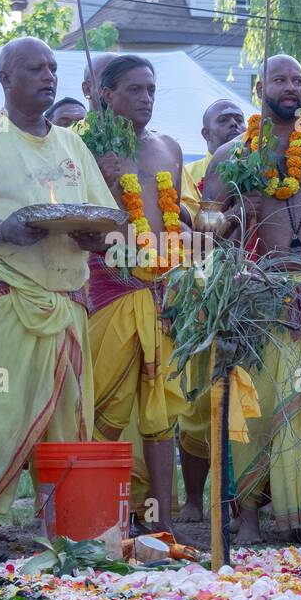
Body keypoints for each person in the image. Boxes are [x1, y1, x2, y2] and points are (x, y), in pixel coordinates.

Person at [0, 38, 115, 557]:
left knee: (69, 415)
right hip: (7, 292)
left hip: (67, 297)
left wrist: (97, 235)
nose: (48, 76)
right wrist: (2, 226)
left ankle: (70, 528)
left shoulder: (73, 145)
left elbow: (105, 216)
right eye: (34, 68)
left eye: (52, 68)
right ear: (5, 77)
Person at [202, 54, 301, 544]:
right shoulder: (230, 156)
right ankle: (248, 516)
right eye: (280, 78)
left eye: (298, 78)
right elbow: (202, 234)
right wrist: (234, 214)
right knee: (252, 406)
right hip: (250, 294)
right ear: (260, 87)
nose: (291, 86)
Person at [85, 55, 189, 535]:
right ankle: (99, 512)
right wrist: (101, 184)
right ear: (105, 95)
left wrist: (209, 224)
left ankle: (162, 519)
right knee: (105, 402)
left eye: (151, 89)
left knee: (161, 408)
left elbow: (180, 217)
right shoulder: (83, 145)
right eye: (134, 89)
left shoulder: (168, 147)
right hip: (108, 283)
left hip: (162, 286)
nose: (146, 98)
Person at [176, 97, 246, 522]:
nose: (235, 123)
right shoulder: (192, 176)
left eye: (240, 117)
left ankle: (246, 503)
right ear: (206, 135)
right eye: (224, 119)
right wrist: (236, 214)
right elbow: (200, 235)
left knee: (248, 401)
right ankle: (193, 500)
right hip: (207, 295)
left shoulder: (266, 165)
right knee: (199, 402)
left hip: (257, 294)